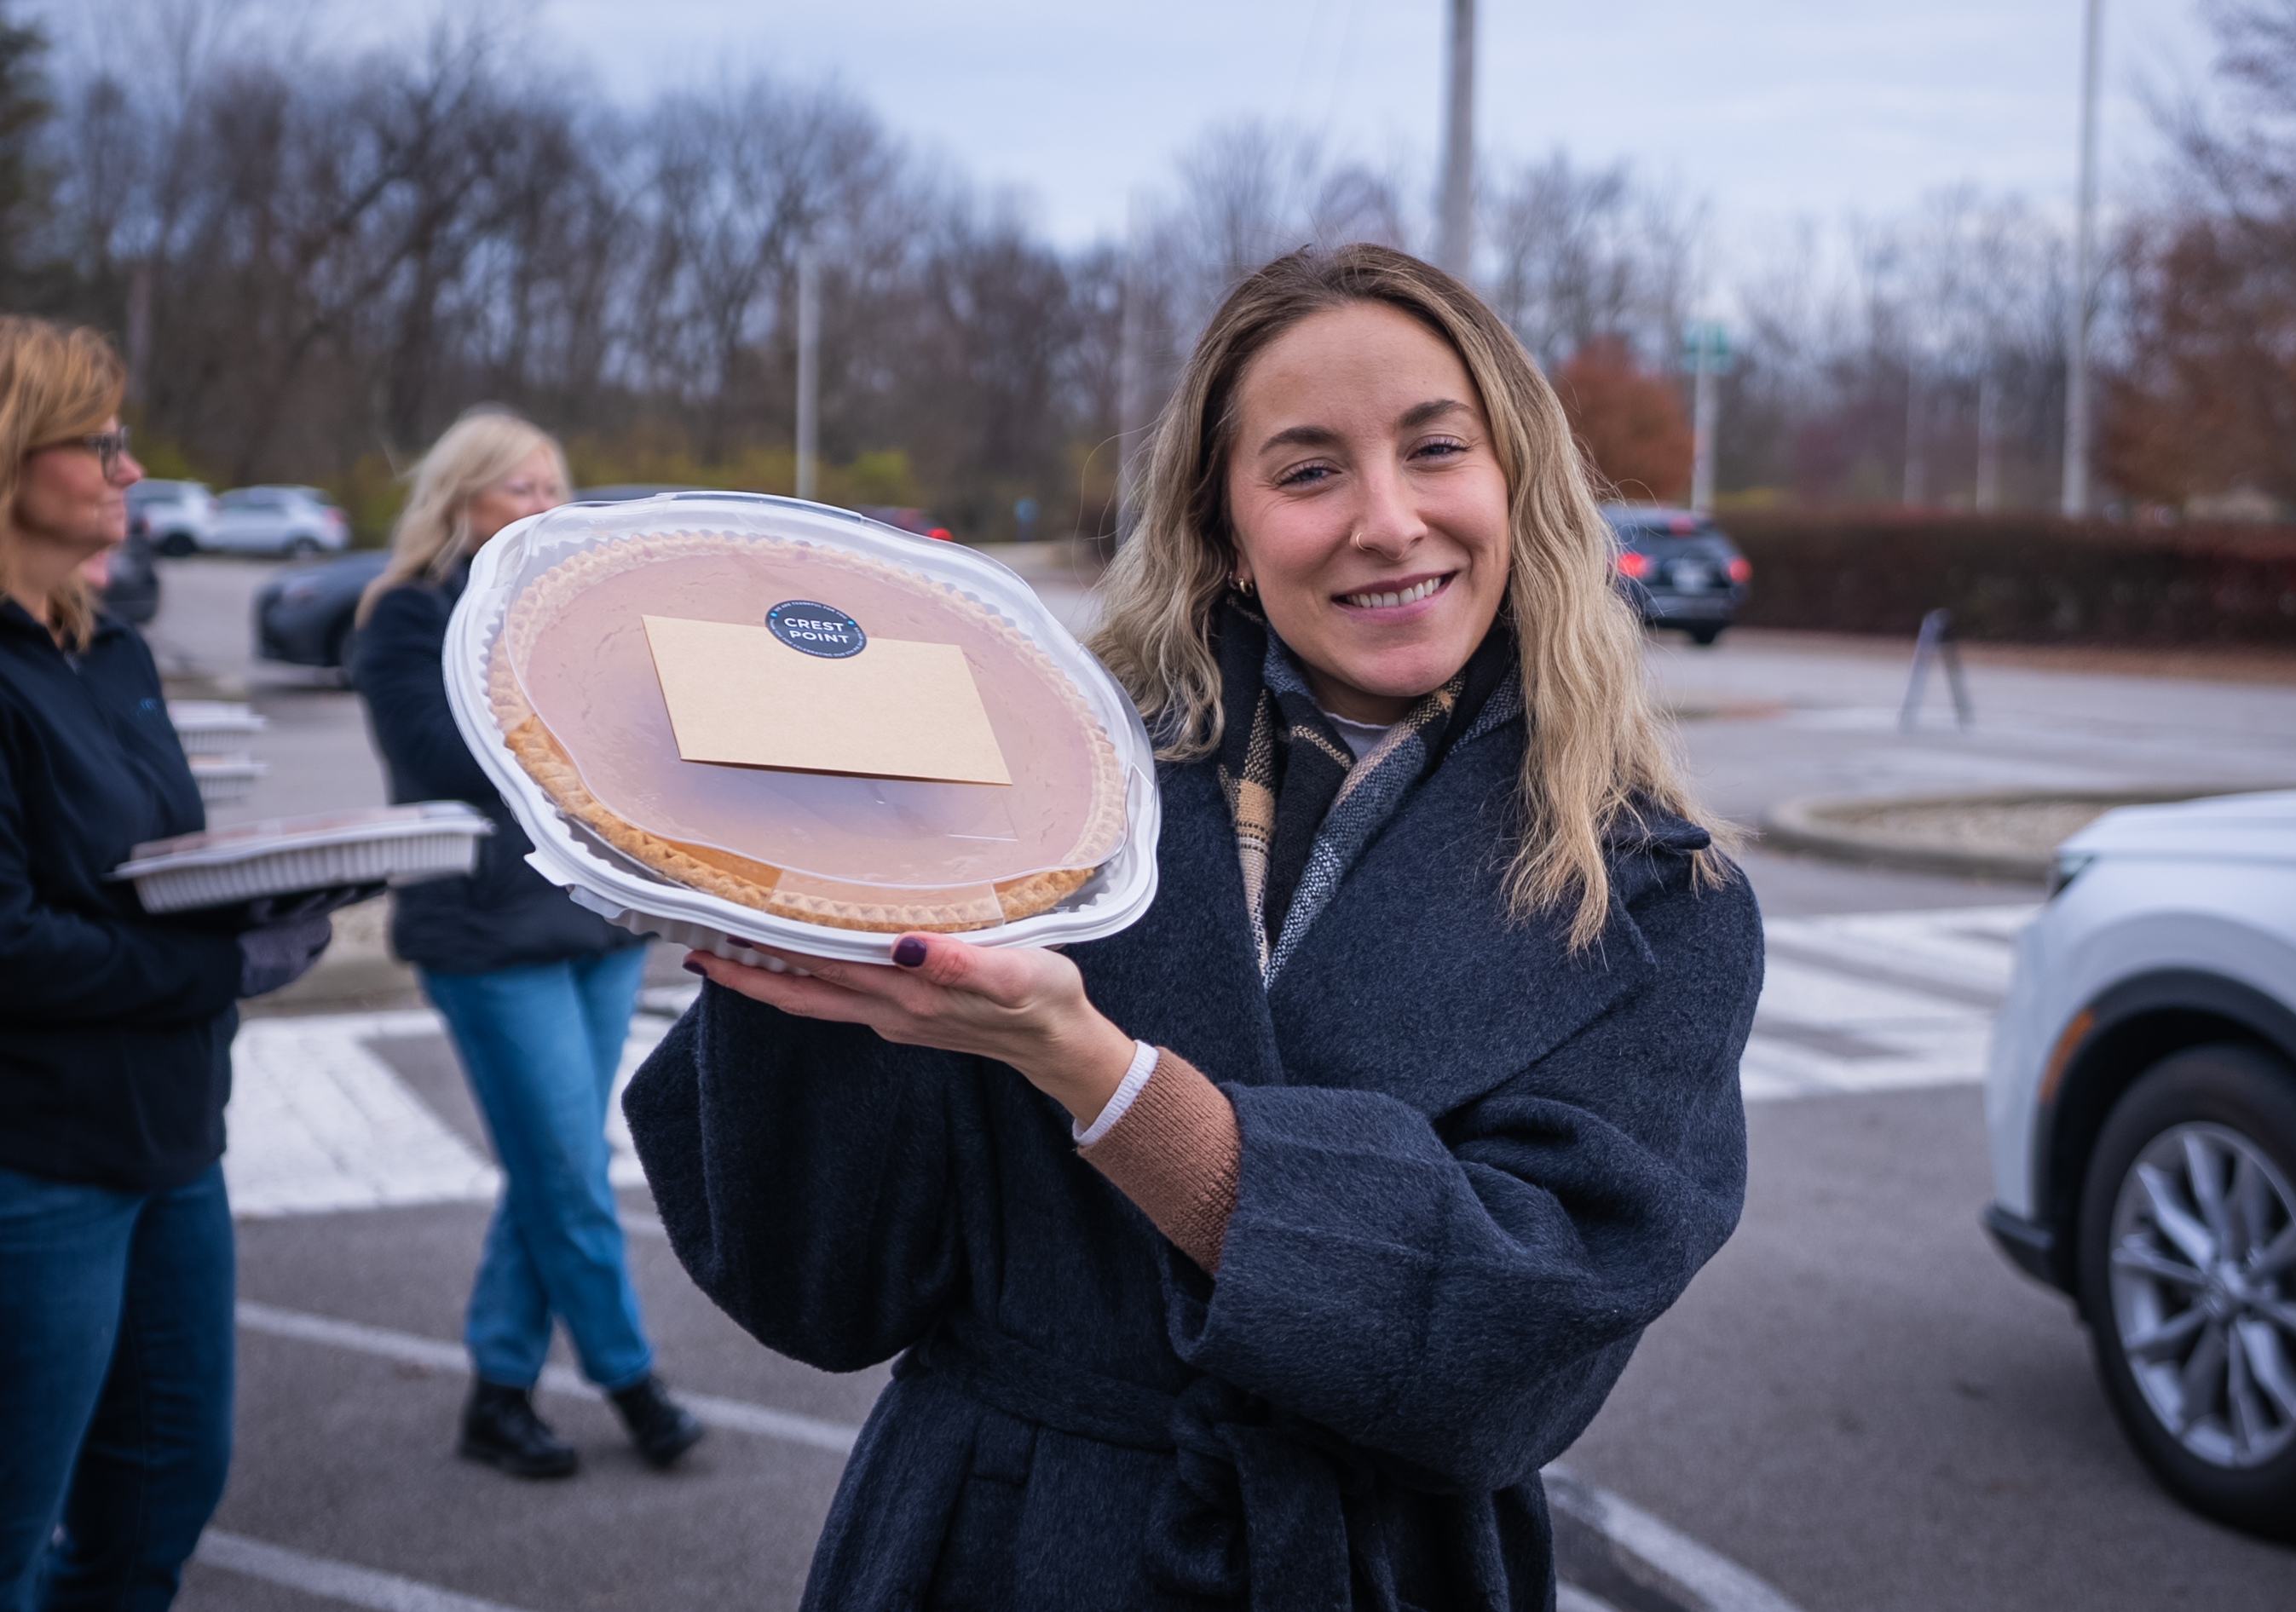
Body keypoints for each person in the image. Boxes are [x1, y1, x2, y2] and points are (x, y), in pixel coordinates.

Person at [626, 245, 1762, 1609]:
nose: (1389, 520)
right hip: (988, 1543)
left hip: (1374, 1571)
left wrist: (1107, 1085)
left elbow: (1513, 1357)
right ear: (1224, 529)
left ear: (1516, 481)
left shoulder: (1653, 901)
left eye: (1434, 449)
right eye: (1307, 470)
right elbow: (819, 1285)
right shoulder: (1038, 804)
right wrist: (791, 900)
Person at [0, 318, 331, 1609]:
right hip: (35, 1167)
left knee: (163, 1491)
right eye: (104, 443)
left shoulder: (112, 651)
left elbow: (153, 870)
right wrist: (221, 968)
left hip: (174, 1143)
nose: (132, 471)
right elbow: (11, 943)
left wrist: (287, 883)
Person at [352, 407, 702, 1479]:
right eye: (519, 488)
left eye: (555, 487)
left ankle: (498, 1391)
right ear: (459, 502)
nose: (545, 508)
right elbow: (445, 751)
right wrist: (564, 699)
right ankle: (632, 1380)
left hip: (591, 926)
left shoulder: (558, 611)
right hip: (481, 930)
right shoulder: (406, 615)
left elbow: (632, 745)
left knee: (549, 1175)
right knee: (565, 1171)